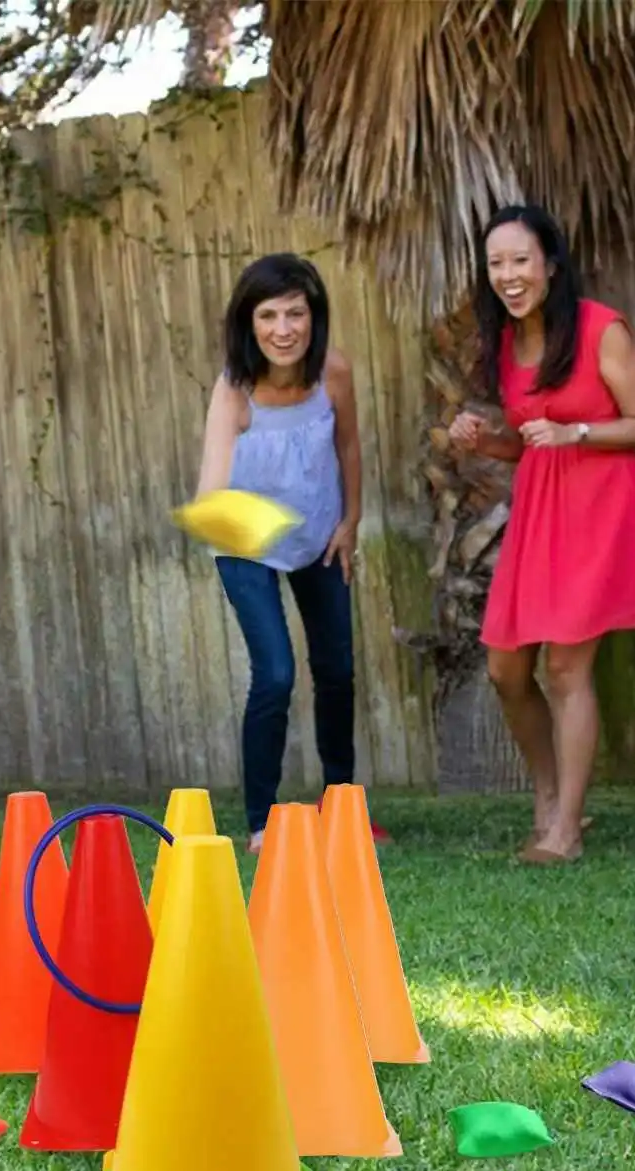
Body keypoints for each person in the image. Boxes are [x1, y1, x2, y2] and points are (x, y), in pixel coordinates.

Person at [449, 204, 635, 865]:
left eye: (520, 261)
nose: (507, 276)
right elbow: (530, 447)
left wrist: (578, 432)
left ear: (550, 265)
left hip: (599, 511)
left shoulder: (601, 329)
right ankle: (549, 798)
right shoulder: (507, 345)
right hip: (539, 515)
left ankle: (564, 832)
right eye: (496, 264)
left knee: (567, 668)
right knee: (507, 668)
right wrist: (486, 441)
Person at [193, 252, 385, 855]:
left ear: (314, 315)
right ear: (248, 324)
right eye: (269, 315)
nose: (283, 329)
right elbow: (210, 492)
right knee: (275, 674)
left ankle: (342, 807)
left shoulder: (334, 373)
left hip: (320, 535)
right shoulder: (235, 390)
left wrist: (351, 520)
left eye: (295, 313)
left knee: (337, 671)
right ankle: (260, 822)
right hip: (246, 545)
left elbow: (349, 447)